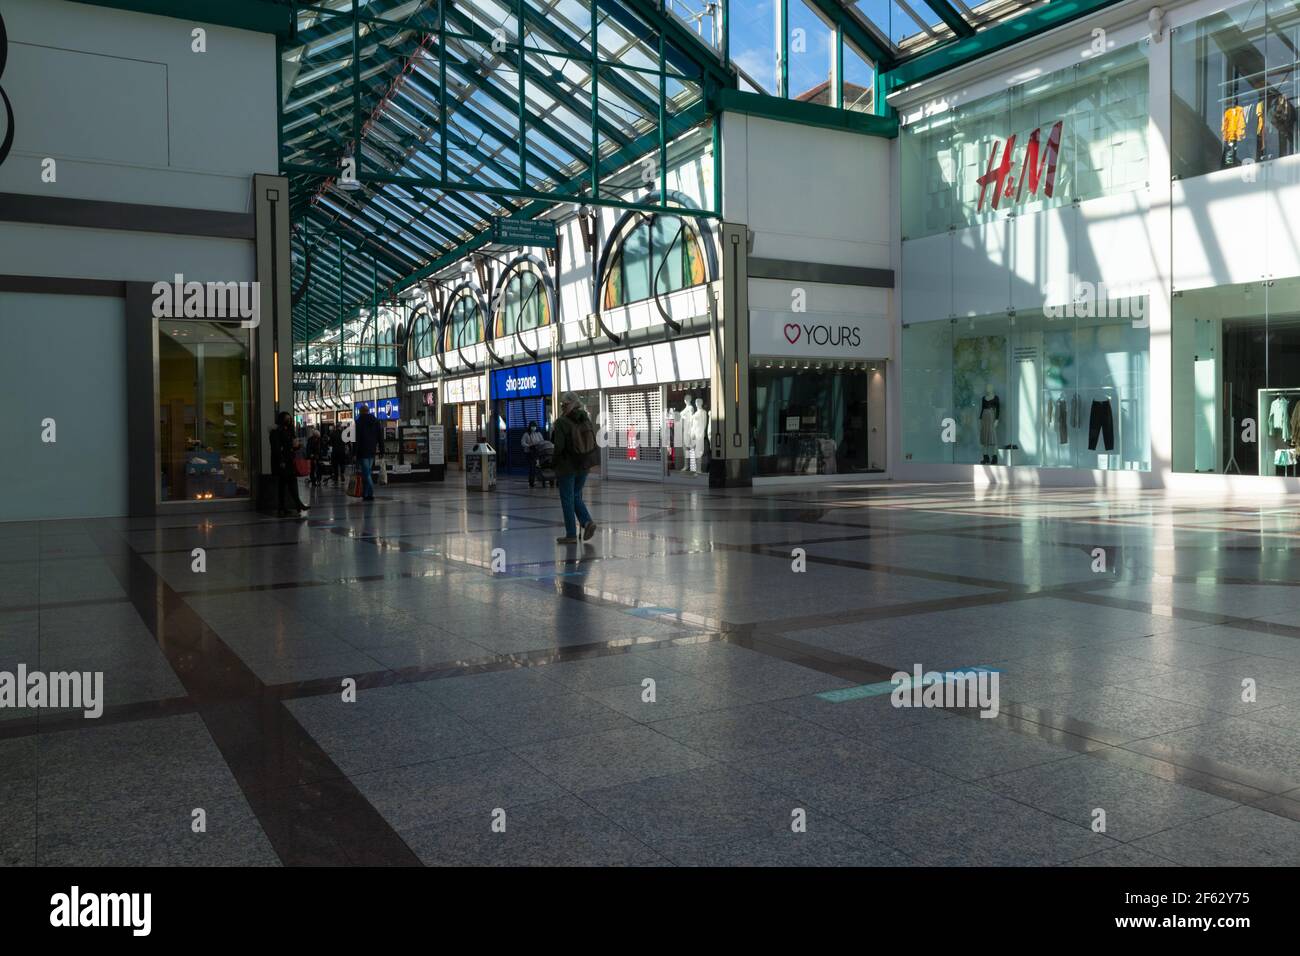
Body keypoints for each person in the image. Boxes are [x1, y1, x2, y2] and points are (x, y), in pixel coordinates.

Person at [551, 393, 598, 544]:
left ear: (568, 405)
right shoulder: (586, 419)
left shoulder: (561, 422)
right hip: (584, 464)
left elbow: (559, 447)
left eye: (563, 405)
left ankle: (571, 534)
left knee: (567, 499)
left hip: (567, 467)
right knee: (576, 495)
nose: (562, 407)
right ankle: (587, 523)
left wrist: (552, 463)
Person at [269, 411, 309, 516]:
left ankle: (283, 507)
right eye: (287, 418)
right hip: (282, 463)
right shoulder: (276, 432)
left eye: (290, 418)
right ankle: (298, 504)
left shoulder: (290, 431)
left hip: (289, 461)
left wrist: (297, 446)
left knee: (283, 485)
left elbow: (292, 446)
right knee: (290, 482)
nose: (289, 420)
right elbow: (276, 449)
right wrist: (281, 460)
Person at [354, 403, 384, 501]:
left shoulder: (358, 422)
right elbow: (380, 437)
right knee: (367, 473)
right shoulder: (376, 421)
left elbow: (357, 439)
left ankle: (370, 492)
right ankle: (366, 494)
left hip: (362, 451)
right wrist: (381, 450)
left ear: (361, 412)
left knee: (366, 474)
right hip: (372, 451)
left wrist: (355, 453)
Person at [521, 420, 545, 488]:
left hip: (537, 452)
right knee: (532, 468)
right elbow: (523, 442)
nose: (533, 428)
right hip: (529, 453)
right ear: (530, 427)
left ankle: (537, 479)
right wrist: (528, 445)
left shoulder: (538, 434)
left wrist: (538, 445)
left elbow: (542, 441)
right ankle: (531, 481)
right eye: (532, 426)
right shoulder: (526, 434)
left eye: (534, 426)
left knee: (536, 467)